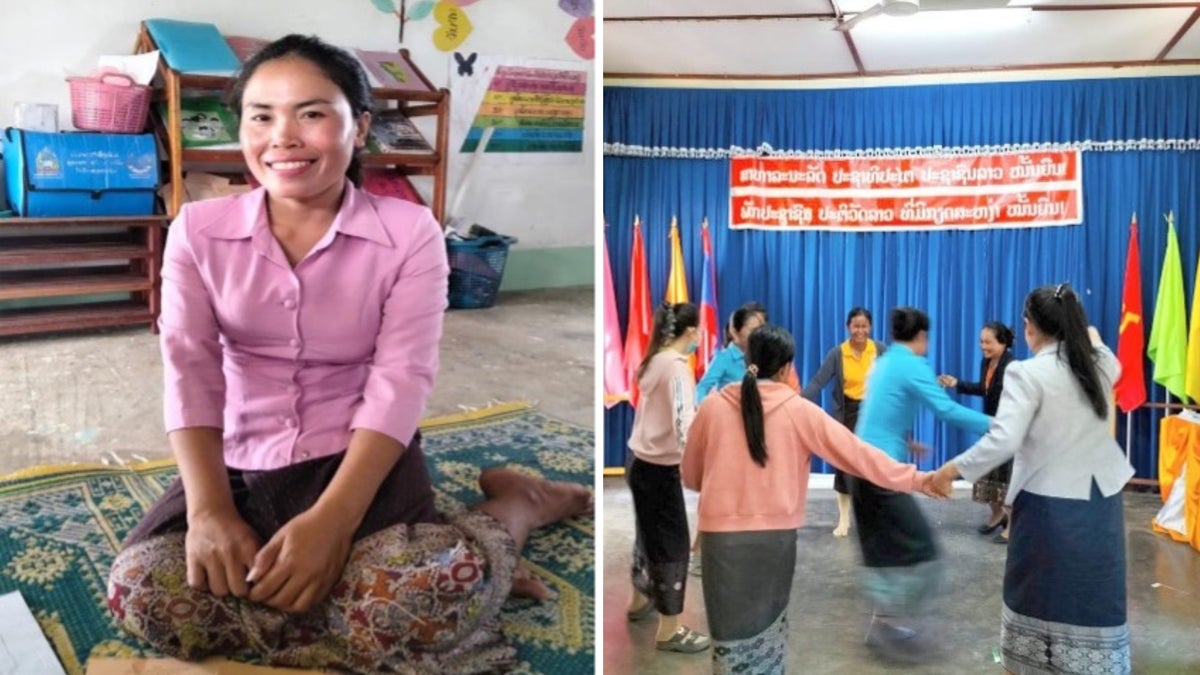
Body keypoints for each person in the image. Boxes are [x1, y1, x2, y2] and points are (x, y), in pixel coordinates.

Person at [105, 35, 590, 674]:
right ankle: (413, 597)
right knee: (144, 591)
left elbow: (401, 378)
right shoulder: (198, 229)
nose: (283, 136)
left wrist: (333, 523)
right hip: (243, 459)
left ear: (359, 126)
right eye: (261, 115)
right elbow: (190, 367)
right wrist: (212, 510)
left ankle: (516, 508)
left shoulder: (408, 232)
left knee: (423, 597)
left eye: (311, 113)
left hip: (361, 455)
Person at [682, 324, 942, 674]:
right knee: (766, 632)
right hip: (775, 541)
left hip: (719, 540)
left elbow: (690, 476)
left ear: (748, 360)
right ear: (787, 367)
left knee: (728, 639)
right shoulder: (799, 411)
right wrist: (919, 479)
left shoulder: (713, 407)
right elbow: (861, 457)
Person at [930, 284, 1134, 675]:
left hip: (1048, 506)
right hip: (1101, 504)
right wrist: (1084, 330)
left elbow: (1002, 440)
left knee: (1039, 596)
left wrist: (949, 471)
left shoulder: (1027, 372)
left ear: (1028, 327)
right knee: (1094, 593)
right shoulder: (1102, 363)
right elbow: (1095, 341)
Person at [850, 307, 991, 659]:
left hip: (861, 465)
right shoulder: (912, 365)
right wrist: (1001, 424)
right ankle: (886, 616)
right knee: (920, 547)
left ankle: (883, 620)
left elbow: (880, 412)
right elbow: (948, 411)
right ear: (922, 336)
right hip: (879, 471)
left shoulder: (884, 362)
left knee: (883, 546)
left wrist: (906, 441)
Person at [625, 302, 711, 654]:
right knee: (673, 546)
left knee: (648, 537)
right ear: (690, 331)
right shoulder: (676, 367)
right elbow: (683, 424)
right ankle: (669, 630)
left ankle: (637, 601)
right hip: (658, 471)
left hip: (639, 463)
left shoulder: (655, 358)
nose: (702, 336)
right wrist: (699, 467)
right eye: (700, 329)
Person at [803, 307, 886, 537]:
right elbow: (817, 382)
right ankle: (844, 520)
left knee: (873, 465)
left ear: (870, 327)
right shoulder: (837, 354)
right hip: (847, 414)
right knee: (845, 466)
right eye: (855, 326)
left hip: (874, 414)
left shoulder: (879, 350)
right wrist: (795, 401)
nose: (860, 330)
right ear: (848, 327)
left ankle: (875, 517)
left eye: (864, 326)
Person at [937, 321, 1017, 543]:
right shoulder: (986, 362)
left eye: (988, 342)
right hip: (990, 426)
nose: (983, 346)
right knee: (986, 475)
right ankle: (996, 515)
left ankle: (1011, 525)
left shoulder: (1012, 366)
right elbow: (985, 389)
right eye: (981, 341)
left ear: (1002, 342)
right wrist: (957, 383)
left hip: (1008, 429)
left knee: (1007, 479)